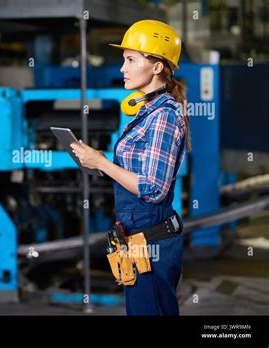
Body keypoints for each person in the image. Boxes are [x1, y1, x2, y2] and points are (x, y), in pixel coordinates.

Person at [70, 20, 191, 316]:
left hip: (152, 245)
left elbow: (152, 188)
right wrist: (97, 160)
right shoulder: (148, 111)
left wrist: (102, 163)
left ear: (157, 66)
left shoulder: (162, 117)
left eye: (131, 59)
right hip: (137, 241)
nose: (122, 68)